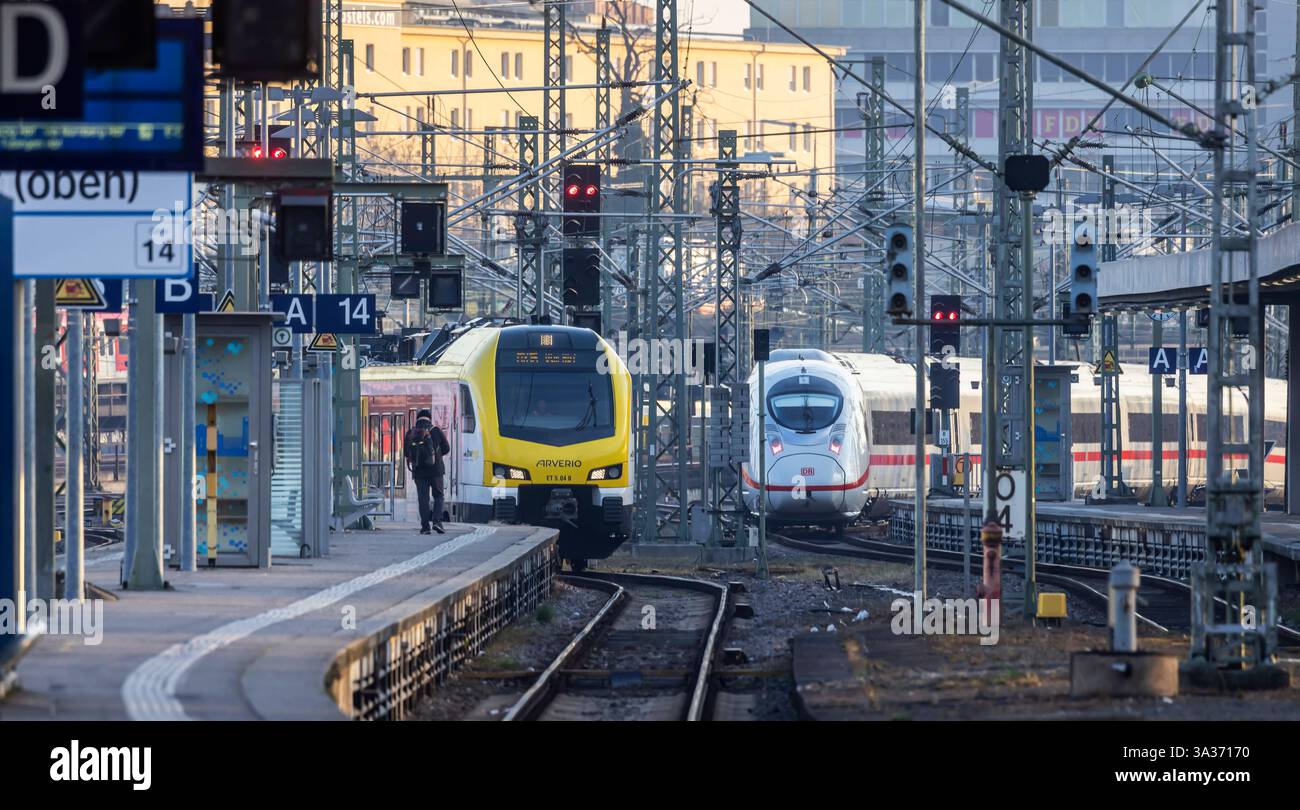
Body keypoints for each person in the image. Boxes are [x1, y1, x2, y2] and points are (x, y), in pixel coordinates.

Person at [404, 408, 450, 535]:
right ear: (429, 418)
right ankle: (437, 522)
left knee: (423, 498)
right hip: (436, 470)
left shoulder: (410, 433)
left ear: (417, 418)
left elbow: (406, 453)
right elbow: (446, 448)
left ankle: (425, 527)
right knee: (438, 496)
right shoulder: (435, 430)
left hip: (419, 472)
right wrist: (436, 454)